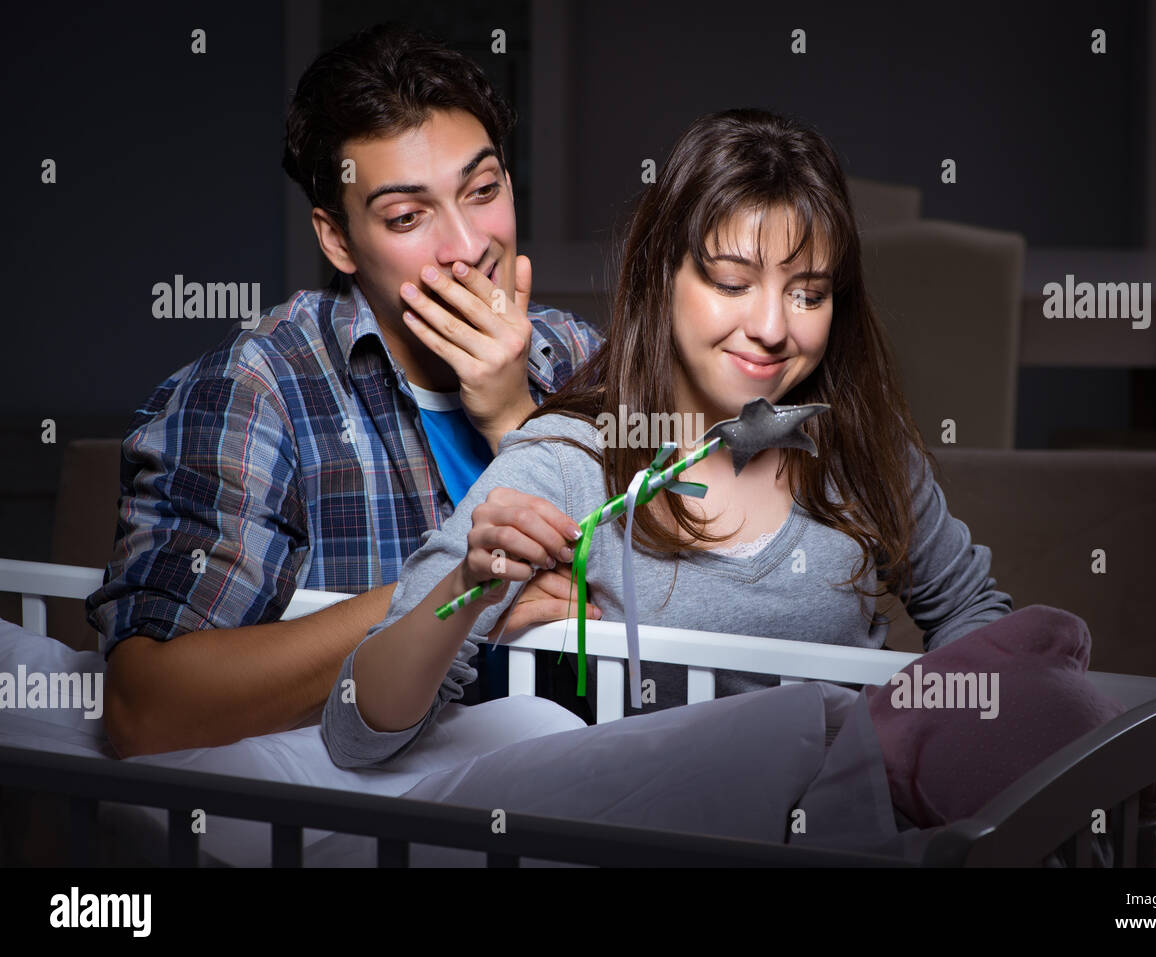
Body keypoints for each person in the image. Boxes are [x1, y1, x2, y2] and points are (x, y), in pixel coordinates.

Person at [319, 107, 1016, 786]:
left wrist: (918, 753)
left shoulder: (861, 444)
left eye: (808, 294)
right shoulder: (569, 460)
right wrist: (467, 589)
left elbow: (975, 614)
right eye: (733, 283)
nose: (773, 327)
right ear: (661, 275)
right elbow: (356, 727)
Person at [87, 23, 603, 759]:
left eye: (483, 190)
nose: (467, 244)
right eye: (406, 216)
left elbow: (673, 592)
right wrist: (452, 594)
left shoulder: (577, 354)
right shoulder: (263, 389)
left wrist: (513, 415)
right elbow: (147, 708)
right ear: (336, 239)